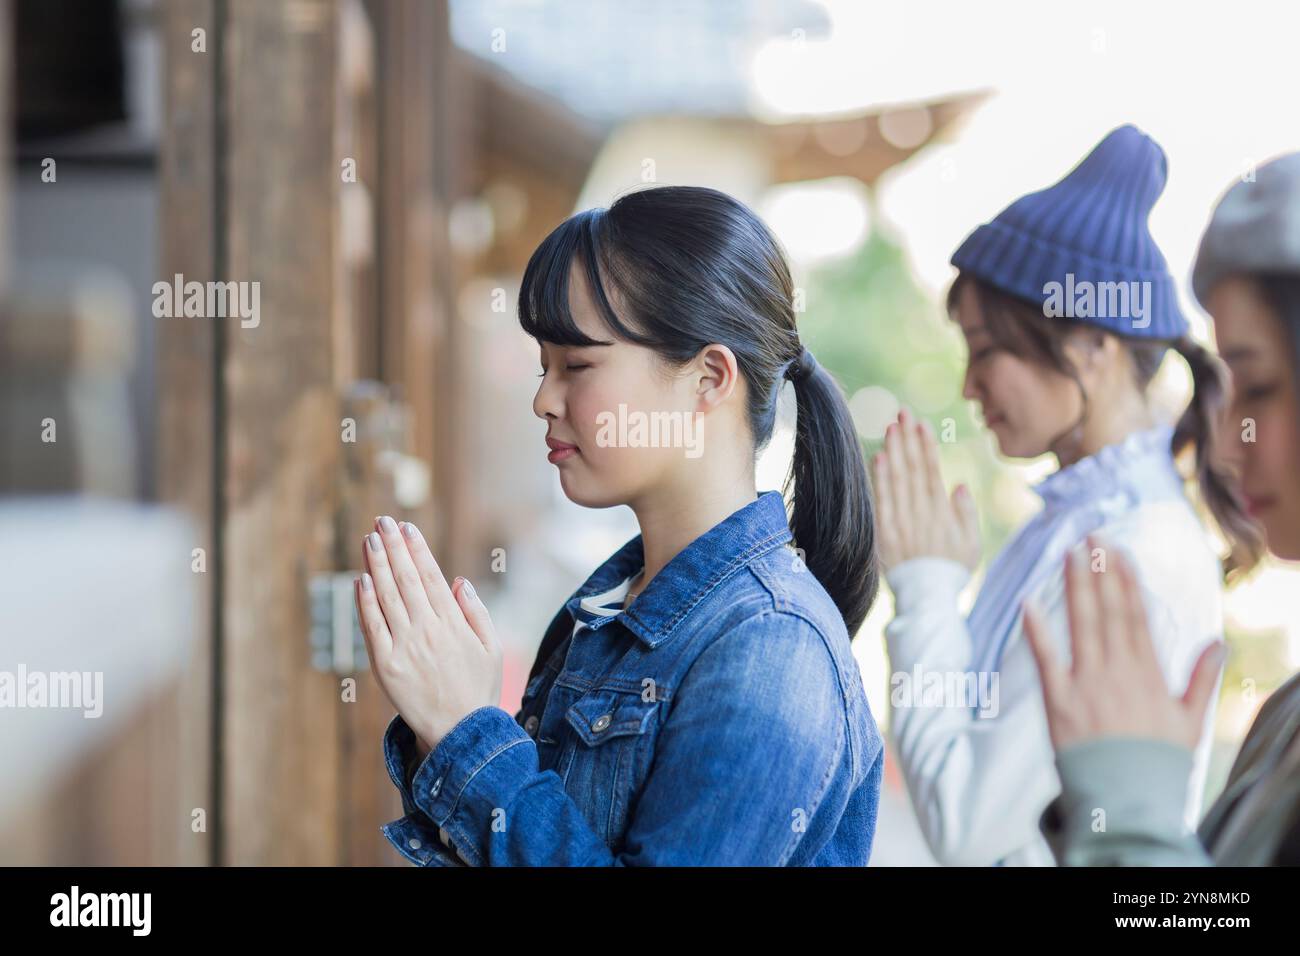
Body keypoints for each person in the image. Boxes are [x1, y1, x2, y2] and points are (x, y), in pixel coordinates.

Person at [356, 185, 885, 866]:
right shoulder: (610, 613)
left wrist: (467, 734)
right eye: (544, 367)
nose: (544, 399)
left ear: (708, 379)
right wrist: (446, 729)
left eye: (577, 365)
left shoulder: (770, 647)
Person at [871, 126, 1258, 865]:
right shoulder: (1075, 523)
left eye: (988, 351)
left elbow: (970, 830)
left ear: (1092, 346)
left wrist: (924, 591)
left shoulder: (1131, 553)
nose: (968, 385)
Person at [1029, 152, 1300, 866]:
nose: (1227, 440)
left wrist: (1131, 823)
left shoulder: (1144, 547)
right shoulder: (1288, 714)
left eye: (1261, 385)